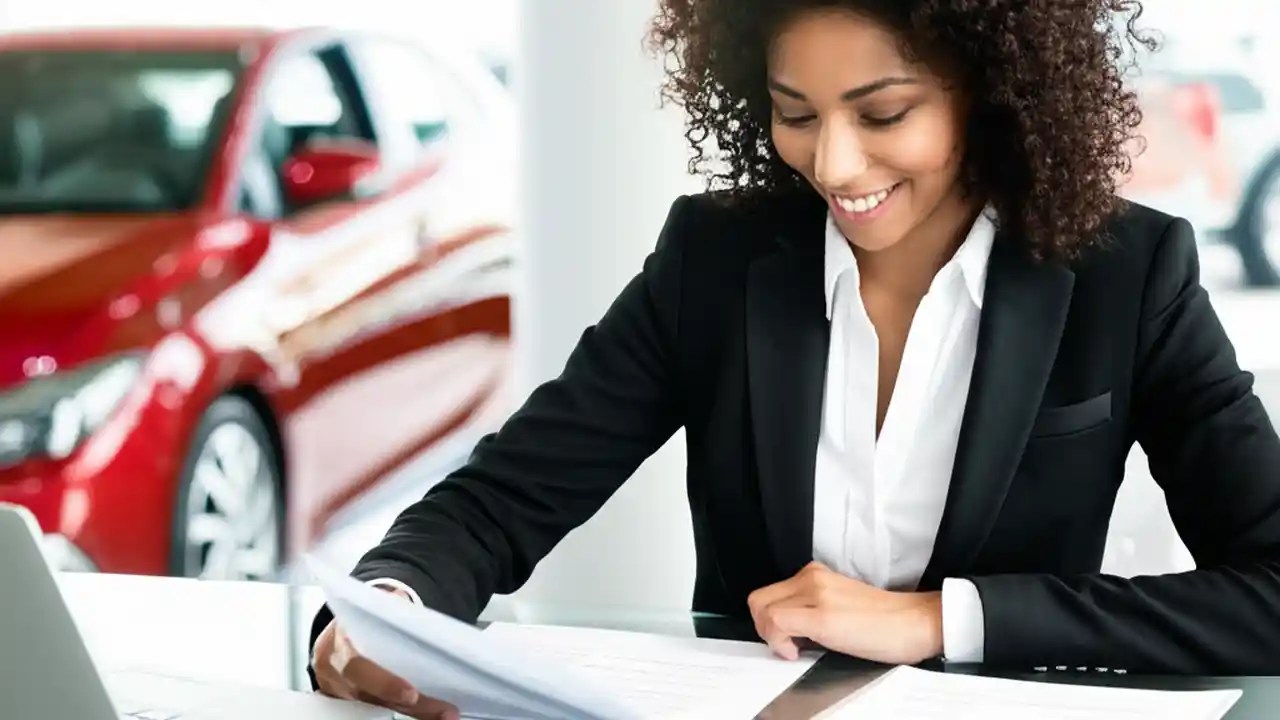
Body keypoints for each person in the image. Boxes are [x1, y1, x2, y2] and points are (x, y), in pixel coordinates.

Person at [310, 1, 1280, 717]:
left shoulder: (1127, 275)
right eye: (796, 113)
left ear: (986, 93)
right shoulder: (715, 259)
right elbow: (499, 499)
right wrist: (383, 613)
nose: (833, 165)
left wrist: (937, 621)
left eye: (882, 112)